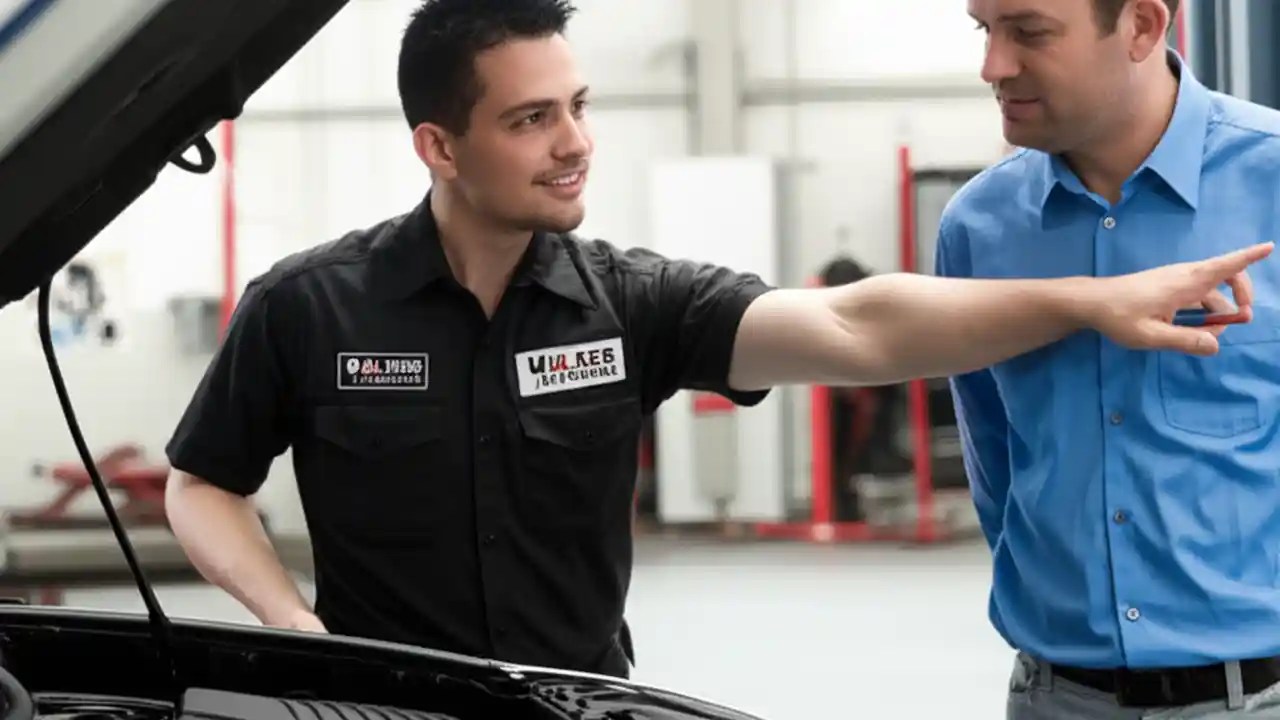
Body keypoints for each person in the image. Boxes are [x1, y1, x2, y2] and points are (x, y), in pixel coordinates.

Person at [164, 0, 1269, 681]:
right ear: (437, 146)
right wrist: (290, 625)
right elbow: (200, 482)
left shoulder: (630, 305)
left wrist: (1080, 302)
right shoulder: (309, 309)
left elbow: (848, 323)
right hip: (379, 703)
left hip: (582, 705)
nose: (575, 144)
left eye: (578, 105)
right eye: (530, 119)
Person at [939, 0, 1280, 716]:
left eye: (1028, 32)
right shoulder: (978, 229)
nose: (992, 67)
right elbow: (994, 463)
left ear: (1144, 26)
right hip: (1055, 697)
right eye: (984, 29)